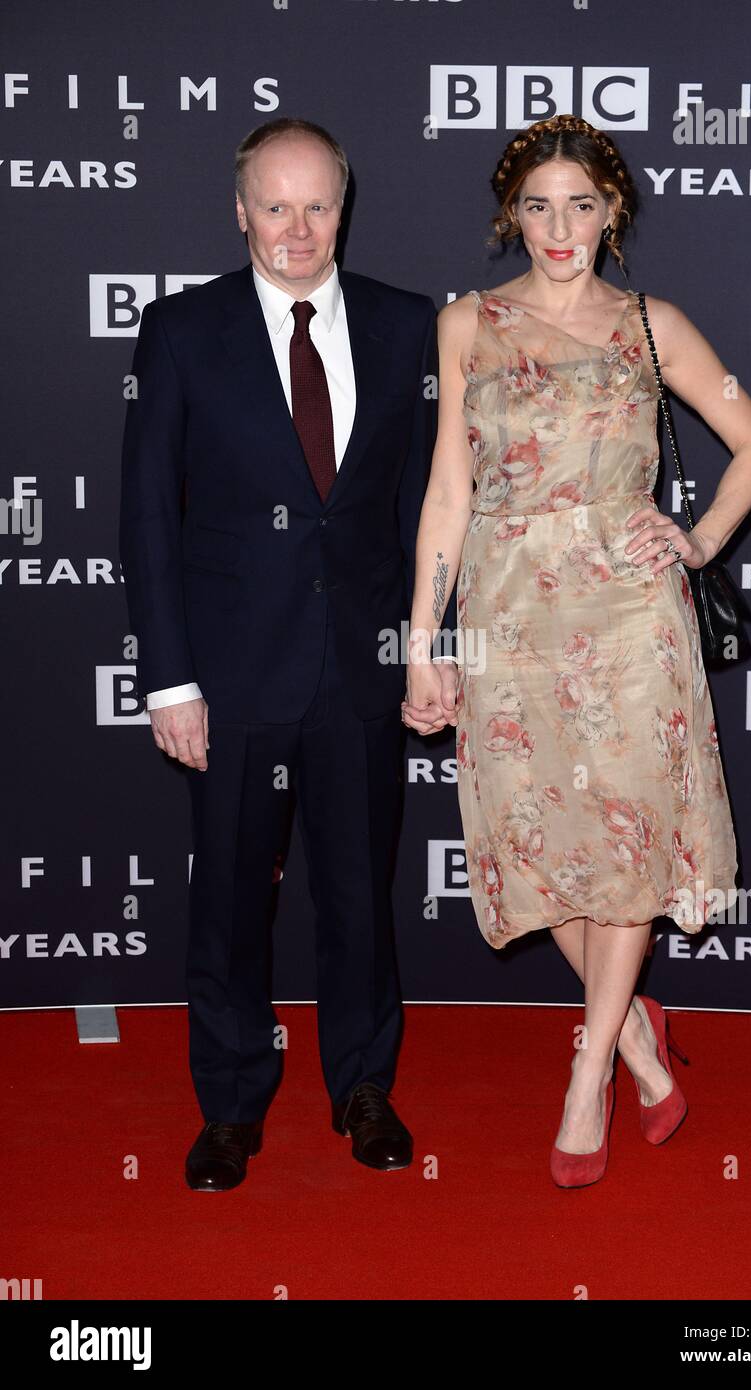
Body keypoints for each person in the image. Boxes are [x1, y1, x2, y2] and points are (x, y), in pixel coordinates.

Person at [402, 114, 751, 1188]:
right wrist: (423, 642)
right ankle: (635, 1034)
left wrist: (698, 537)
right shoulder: (466, 325)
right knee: (541, 837)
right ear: (505, 213)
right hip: (509, 609)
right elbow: (446, 490)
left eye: (581, 203)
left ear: (611, 210)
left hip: (627, 616)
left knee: (622, 837)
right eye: (536, 205)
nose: (558, 227)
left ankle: (590, 1074)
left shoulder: (650, 325)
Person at [119, 116, 455, 1191]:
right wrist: (169, 677)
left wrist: (423, 650)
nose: (297, 227)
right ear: (240, 210)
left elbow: (422, 513)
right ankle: (229, 1106)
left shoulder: (410, 328)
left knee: (360, 897)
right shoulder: (181, 330)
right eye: (276, 204)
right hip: (229, 677)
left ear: (342, 210)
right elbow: (147, 521)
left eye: (317, 204)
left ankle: (363, 1086)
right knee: (228, 902)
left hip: (360, 673)